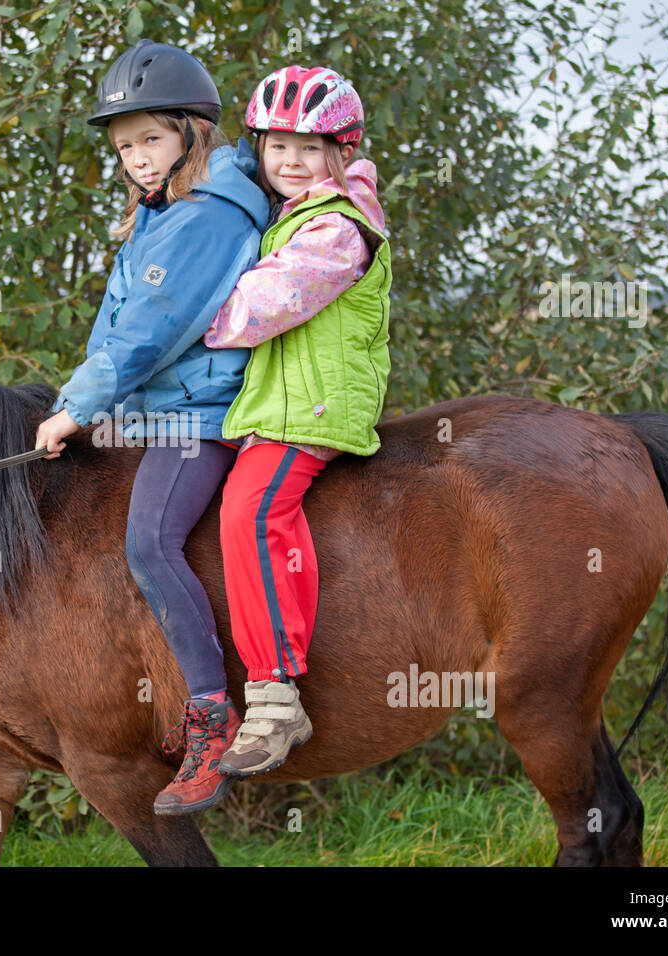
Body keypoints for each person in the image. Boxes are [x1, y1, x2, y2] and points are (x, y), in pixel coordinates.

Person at [33, 40, 269, 814]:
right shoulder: (161, 214)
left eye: (151, 140)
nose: (137, 158)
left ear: (193, 133)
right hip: (151, 412)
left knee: (148, 542)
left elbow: (146, 331)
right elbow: (115, 329)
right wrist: (86, 404)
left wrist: (76, 407)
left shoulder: (202, 216)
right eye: (125, 146)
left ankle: (211, 713)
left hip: (193, 417)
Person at [202, 65, 393, 778]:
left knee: (252, 509)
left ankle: (276, 698)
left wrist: (182, 319)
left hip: (310, 408)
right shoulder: (299, 212)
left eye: (309, 149)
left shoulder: (336, 229)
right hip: (281, 400)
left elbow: (260, 308)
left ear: (341, 154)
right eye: (276, 146)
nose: (289, 161)